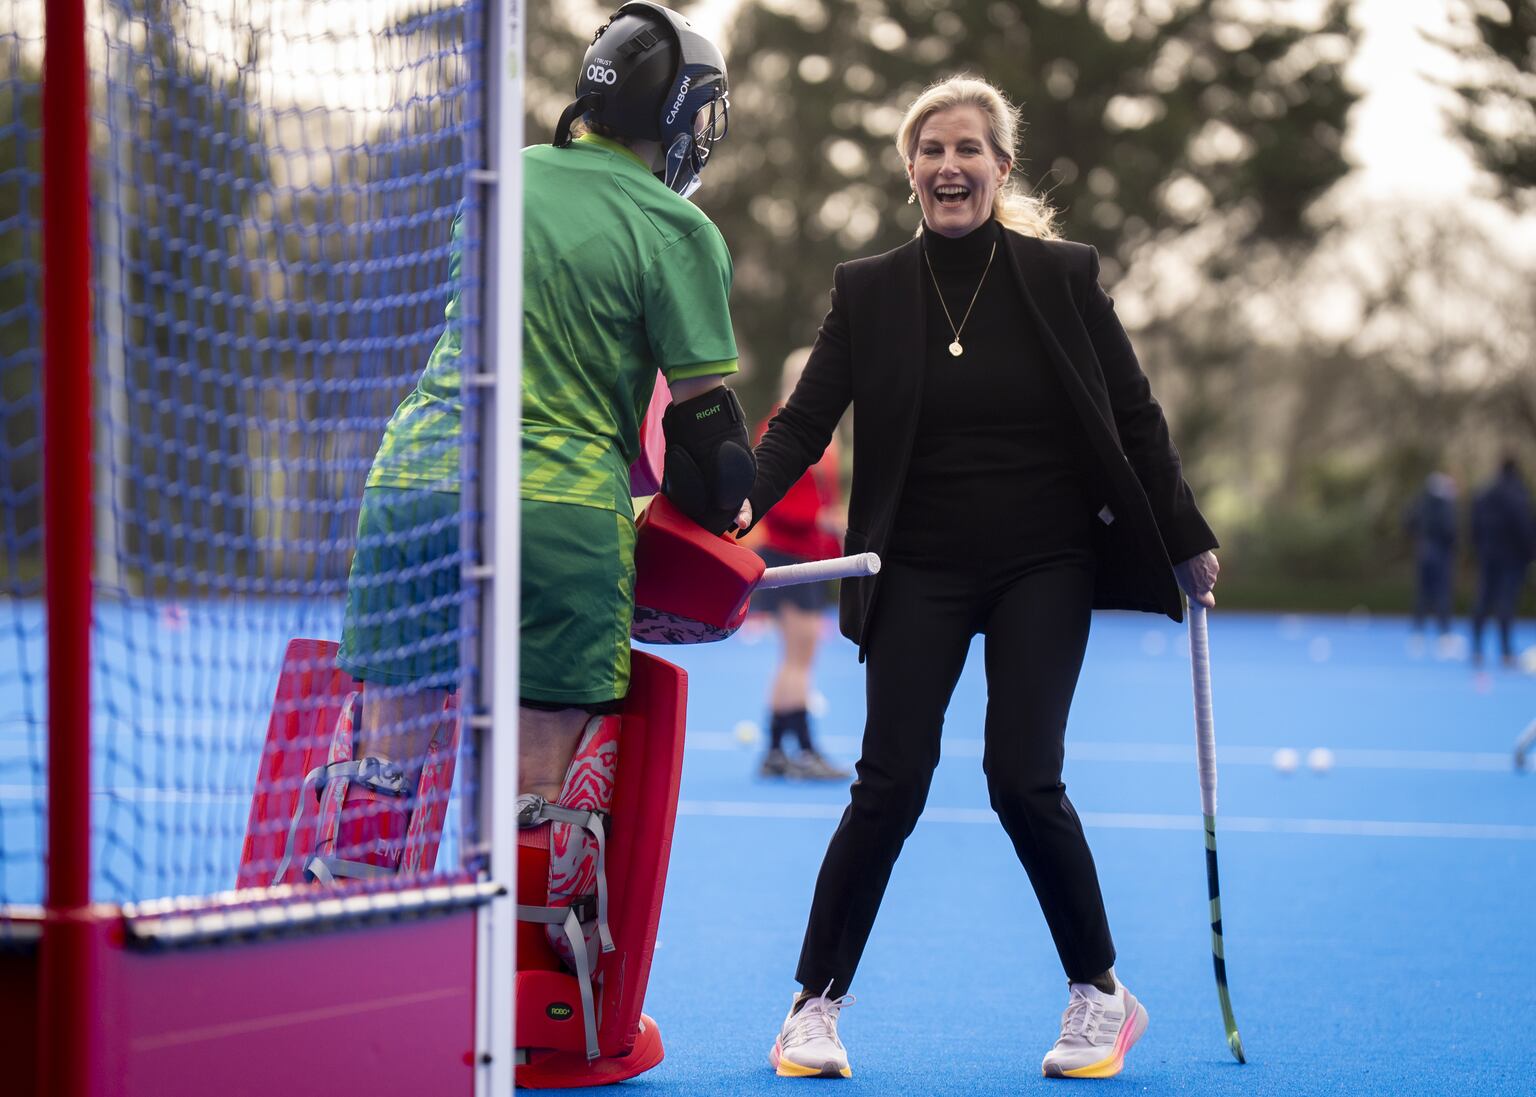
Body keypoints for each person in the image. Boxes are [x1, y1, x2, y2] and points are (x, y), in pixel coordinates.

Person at [737, 76, 1218, 1081]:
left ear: (1001, 168)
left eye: (969, 149)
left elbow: (1134, 415)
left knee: (1022, 777)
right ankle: (813, 1006)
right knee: (890, 783)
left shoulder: (1060, 276)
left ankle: (1100, 992)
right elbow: (802, 420)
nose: (949, 165)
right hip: (917, 563)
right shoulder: (867, 290)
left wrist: (1183, 532)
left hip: (1045, 558)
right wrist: (739, 500)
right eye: (931, 150)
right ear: (911, 172)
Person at [324, 0, 750, 878]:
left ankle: (362, 953)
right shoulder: (678, 229)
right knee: (536, 812)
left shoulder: (502, 177)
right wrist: (728, 504)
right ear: (672, 116)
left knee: (384, 780)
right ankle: (523, 998)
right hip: (556, 512)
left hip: (416, 485)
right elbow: (708, 437)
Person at [748, 351, 852, 781]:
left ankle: (778, 748)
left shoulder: (819, 433)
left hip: (806, 555)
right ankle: (800, 748)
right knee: (798, 658)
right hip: (790, 555)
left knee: (797, 657)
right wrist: (824, 523)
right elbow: (778, 504)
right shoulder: (780, 428)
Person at [1469, 457, 1536, 669]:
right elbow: (1524, 528)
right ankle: (1505, 652)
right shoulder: (1518, 494)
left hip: (1488, 555)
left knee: (1484, 599)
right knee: (1506, 602)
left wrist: (1480, 549)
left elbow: (1475, 525)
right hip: (1512, 558)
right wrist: (1530, 554)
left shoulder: (1484, 493)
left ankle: (1477, 649)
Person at [1403, 471, 1458, 645]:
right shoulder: (1444, 505)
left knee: (1423, 592)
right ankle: (1444, 632)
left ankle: (1418, 631)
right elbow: (1450, 530)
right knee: (1442, 591)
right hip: (1440, 553)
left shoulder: (1420, 502)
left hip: (1423, 551)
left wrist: (1418, 538)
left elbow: (1408, 521)